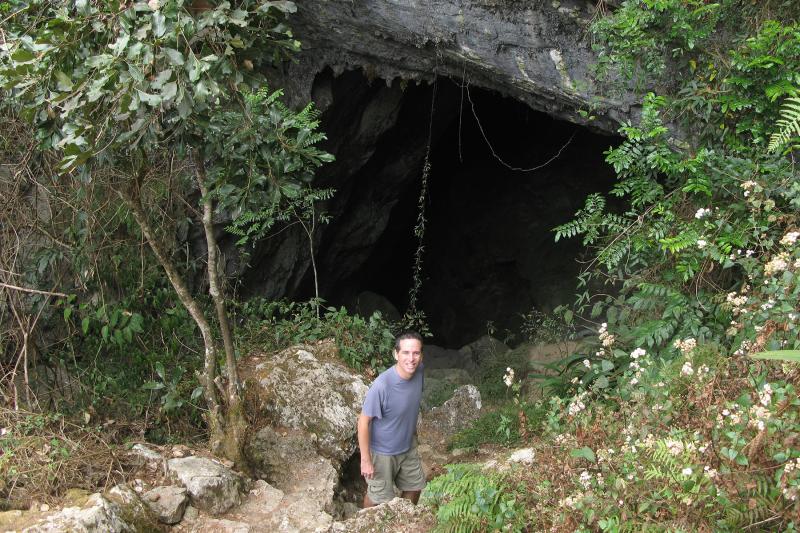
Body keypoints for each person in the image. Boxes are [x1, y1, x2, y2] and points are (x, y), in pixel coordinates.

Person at [357, 331, 426, 507]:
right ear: (396, 354)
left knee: (415, 486)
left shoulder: (420, 371)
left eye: (416, 353)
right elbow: (363, 422)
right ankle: (363, 525)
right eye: (405, 353)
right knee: (377, 498)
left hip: (407, 445)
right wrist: (365, 460)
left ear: (421, 355)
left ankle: (401, 519)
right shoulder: (382, 385)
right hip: (383, 453)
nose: (411, 358)